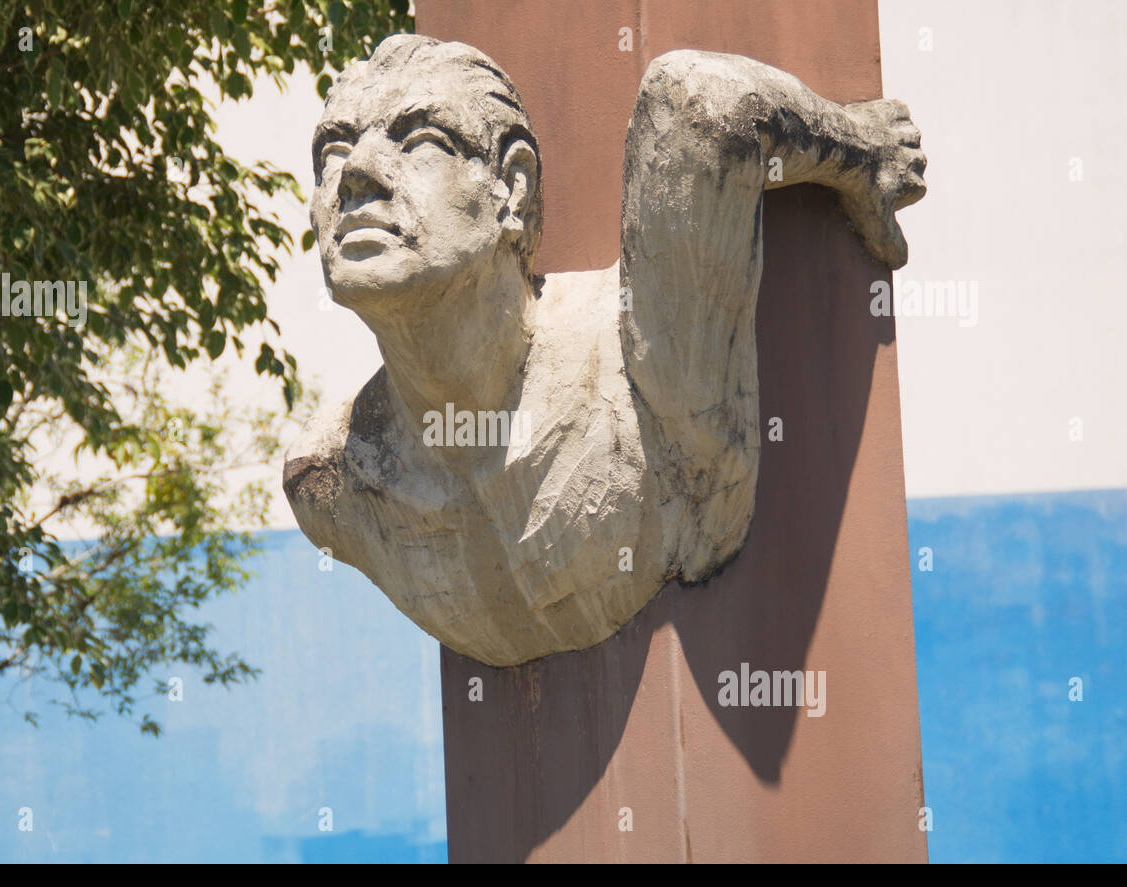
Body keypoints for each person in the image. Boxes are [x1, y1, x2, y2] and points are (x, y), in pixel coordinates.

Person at [284, 35, 926, 667]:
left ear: (510, 189)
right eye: (332, 152)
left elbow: (700, 100)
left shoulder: (637, 363)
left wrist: (861, 152)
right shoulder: (332, 485)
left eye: (421, 140)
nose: (358, 174)